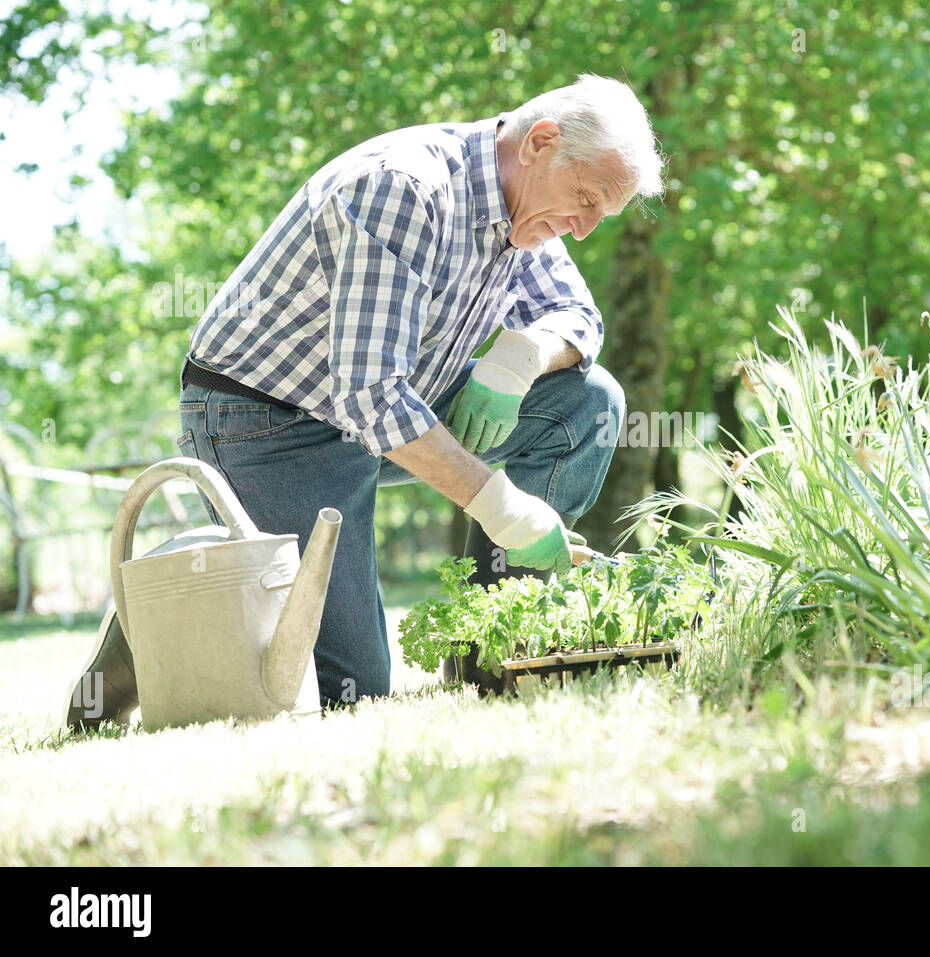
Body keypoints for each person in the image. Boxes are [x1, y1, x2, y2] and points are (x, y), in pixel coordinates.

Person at [173, 75, 663, 706]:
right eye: (585, 200)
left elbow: (579, 318)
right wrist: (503, 509)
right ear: (541, 142)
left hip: (382, 409)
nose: (583, 229)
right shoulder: (406, 188)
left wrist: (520, 356)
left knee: (588, 401)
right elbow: (370, 394)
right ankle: (163, 616)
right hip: (267, 424)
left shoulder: (525, 210)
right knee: (351, 693)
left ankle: (493, 650)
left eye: (600, 213)